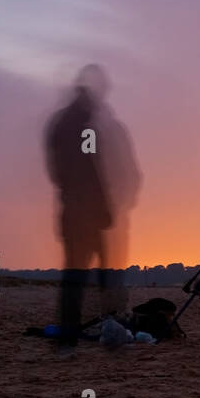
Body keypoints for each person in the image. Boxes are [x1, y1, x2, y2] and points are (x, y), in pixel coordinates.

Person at [44, 64, 141, 345]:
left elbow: (59, 172)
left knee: (79, 270)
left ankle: (79, 326)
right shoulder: (80, 126)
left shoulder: (62, 123)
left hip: (74, 211)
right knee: (93, 270)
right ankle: (103, 322)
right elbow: (89, 168)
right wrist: (103, 207)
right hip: (84, 213)